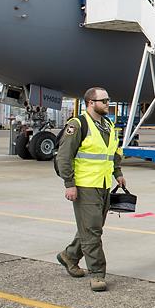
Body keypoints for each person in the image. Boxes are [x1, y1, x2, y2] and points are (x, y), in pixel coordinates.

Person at [55, 86, 125, 292]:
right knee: (92, 230)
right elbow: (64, 156)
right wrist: (69, 184)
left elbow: (113, 152)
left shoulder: (107, 125)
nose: (107, 104)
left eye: (108, 100)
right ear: (90, 103)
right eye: (103, 101)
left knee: (91, 228)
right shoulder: (78, 125)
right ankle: (97, 273)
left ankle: (69, 255)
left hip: (103, 184)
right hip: (85, 185)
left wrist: (118, 173)